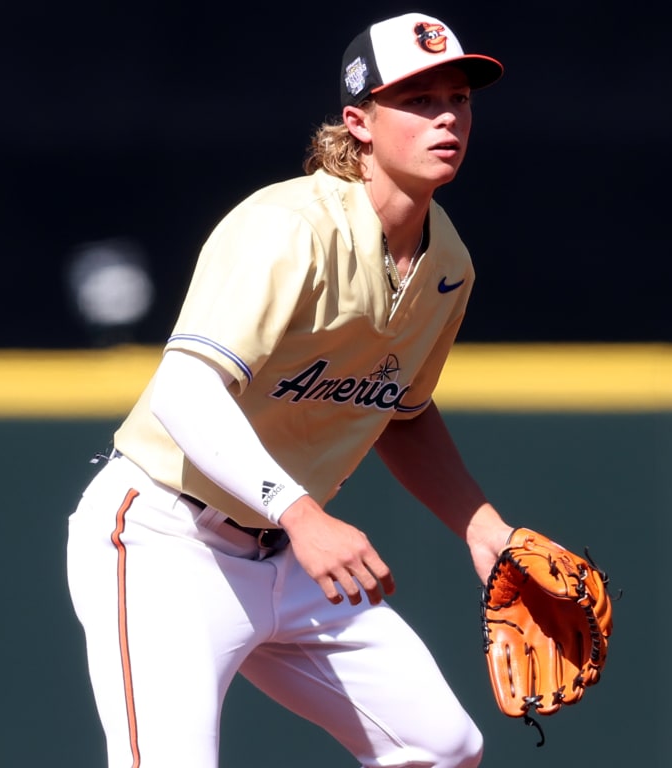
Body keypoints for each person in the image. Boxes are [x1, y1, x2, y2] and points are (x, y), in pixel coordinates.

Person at [66, 11, 515, 768]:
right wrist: (304, 514)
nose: (447, 116)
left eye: (459, 98)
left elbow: (401, 412)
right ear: (358, 123)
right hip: (166, 541)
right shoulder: (287, 228)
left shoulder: (449, 265)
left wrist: (485, 530)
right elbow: (183, 391)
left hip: (289, 557)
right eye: (418, 99)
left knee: (442, 747)